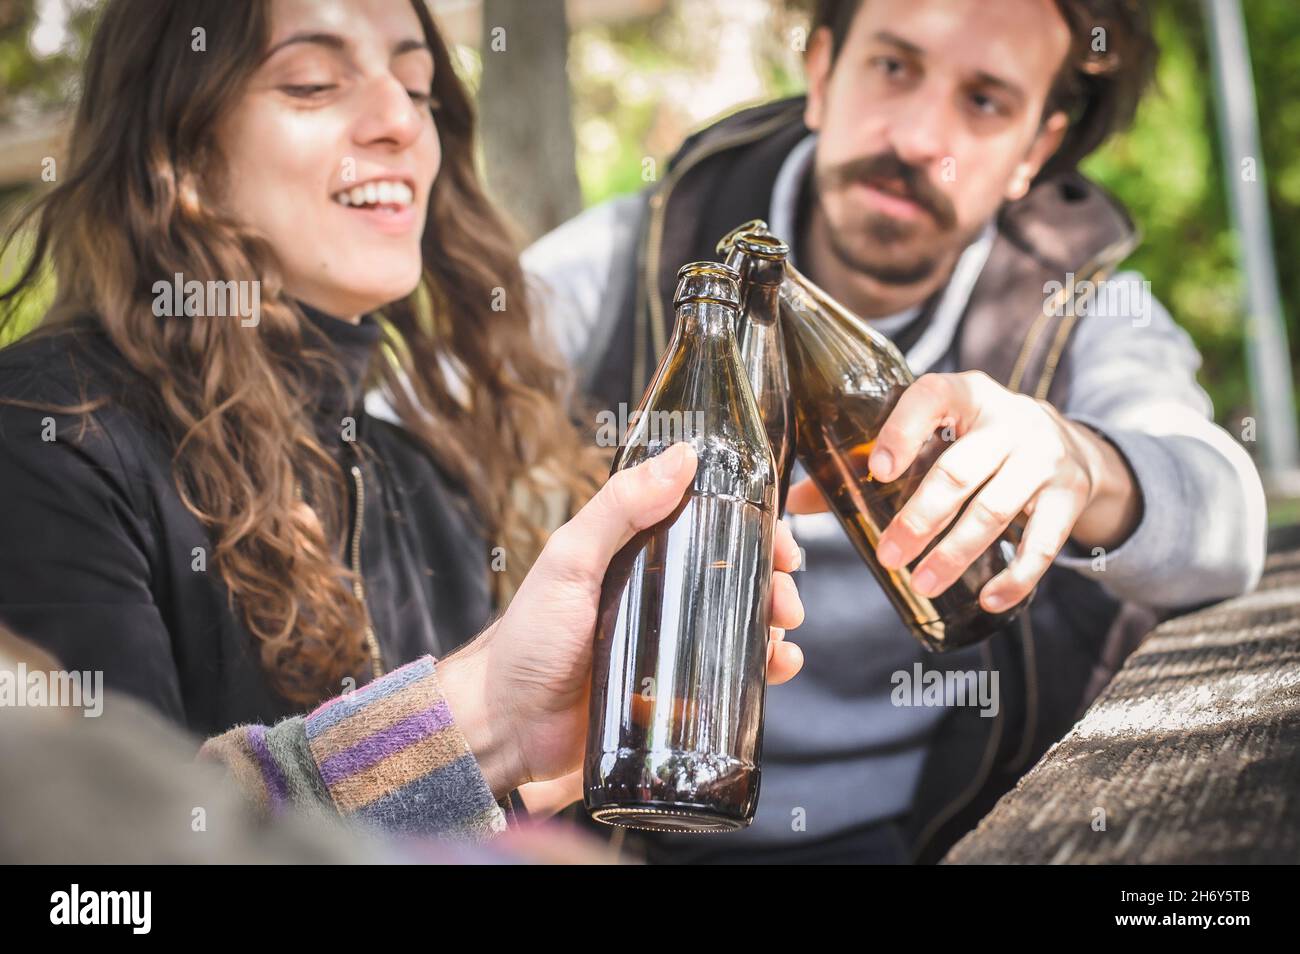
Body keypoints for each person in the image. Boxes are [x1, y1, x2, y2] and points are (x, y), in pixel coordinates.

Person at [0, 0, 804, 825]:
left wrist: (563, 757)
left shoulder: (426, 477)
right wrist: (478, 714)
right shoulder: (45, 440)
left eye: (417, 88)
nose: (399, 122)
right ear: (177, 144)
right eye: (314, 82)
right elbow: (102, 867)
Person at [526, 0, 1268, 862]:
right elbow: (416, 398)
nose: (920, 137)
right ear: (820, 72)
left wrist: (1079, 464)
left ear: (1035, 147)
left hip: (933, 834)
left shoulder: (1079, 309)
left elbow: (1227, 523)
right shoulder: (642, 253)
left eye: (985, 101)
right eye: (894, 66)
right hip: (613, 827)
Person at [4, 442, 797, 862]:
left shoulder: (419, 457)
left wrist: (500, 713)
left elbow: (195, 822)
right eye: (321, 116)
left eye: (432, 117)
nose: (398, 129)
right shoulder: (50, 444)